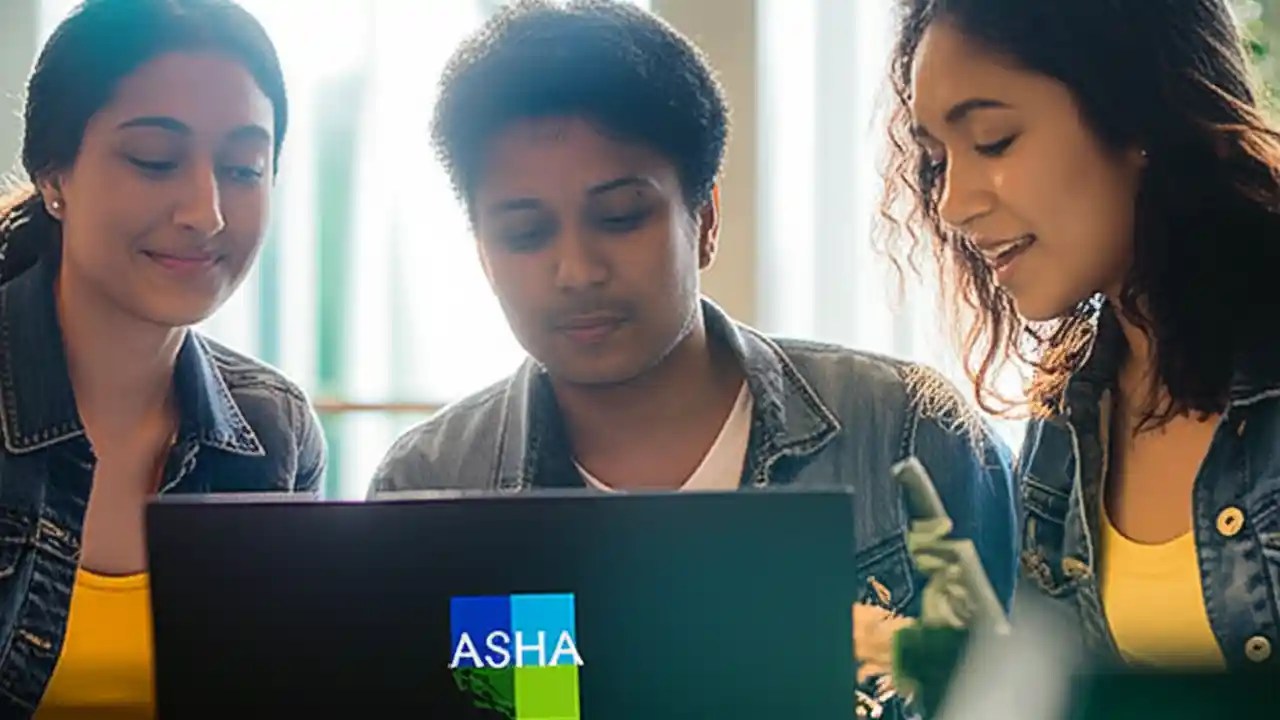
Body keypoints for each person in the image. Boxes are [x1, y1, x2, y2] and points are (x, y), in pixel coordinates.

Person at [370, 1, 1017, 712]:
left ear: (704, 219)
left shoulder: (907, 433)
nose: (576, 270)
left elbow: (1016, 693)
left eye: (620, 217)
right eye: (524, 233)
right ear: (483, 254)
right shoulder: (434, 486)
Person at [880, 0, 1280, 672]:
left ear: (1139, 111)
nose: (951, 204)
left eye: (993, 140)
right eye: (935, 161)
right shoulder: (1067, 419)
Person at [0, 0, 326, 716]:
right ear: (54, 177)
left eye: (244, 168)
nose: (205, 212)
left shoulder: (274, 434)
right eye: (154, 160)